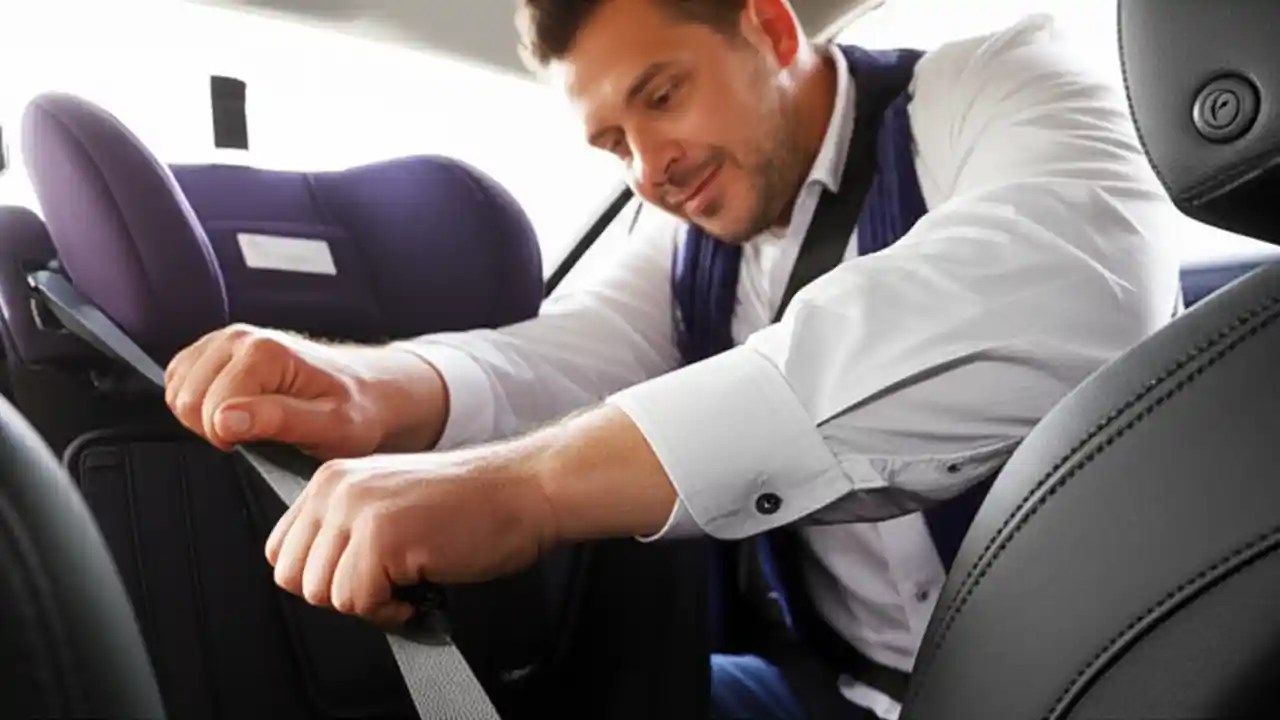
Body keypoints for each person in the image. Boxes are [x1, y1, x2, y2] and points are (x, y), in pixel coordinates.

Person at [163, 0, 1182, 717]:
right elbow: (563, 358)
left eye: (661, 95)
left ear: (768, 26)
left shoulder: (997, 86)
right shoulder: (687, 242)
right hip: (831, 691)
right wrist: (367, 384)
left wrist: (525, 491)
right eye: (612, 143)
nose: (651, 168)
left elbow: (1032, 290)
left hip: (1102, 677)